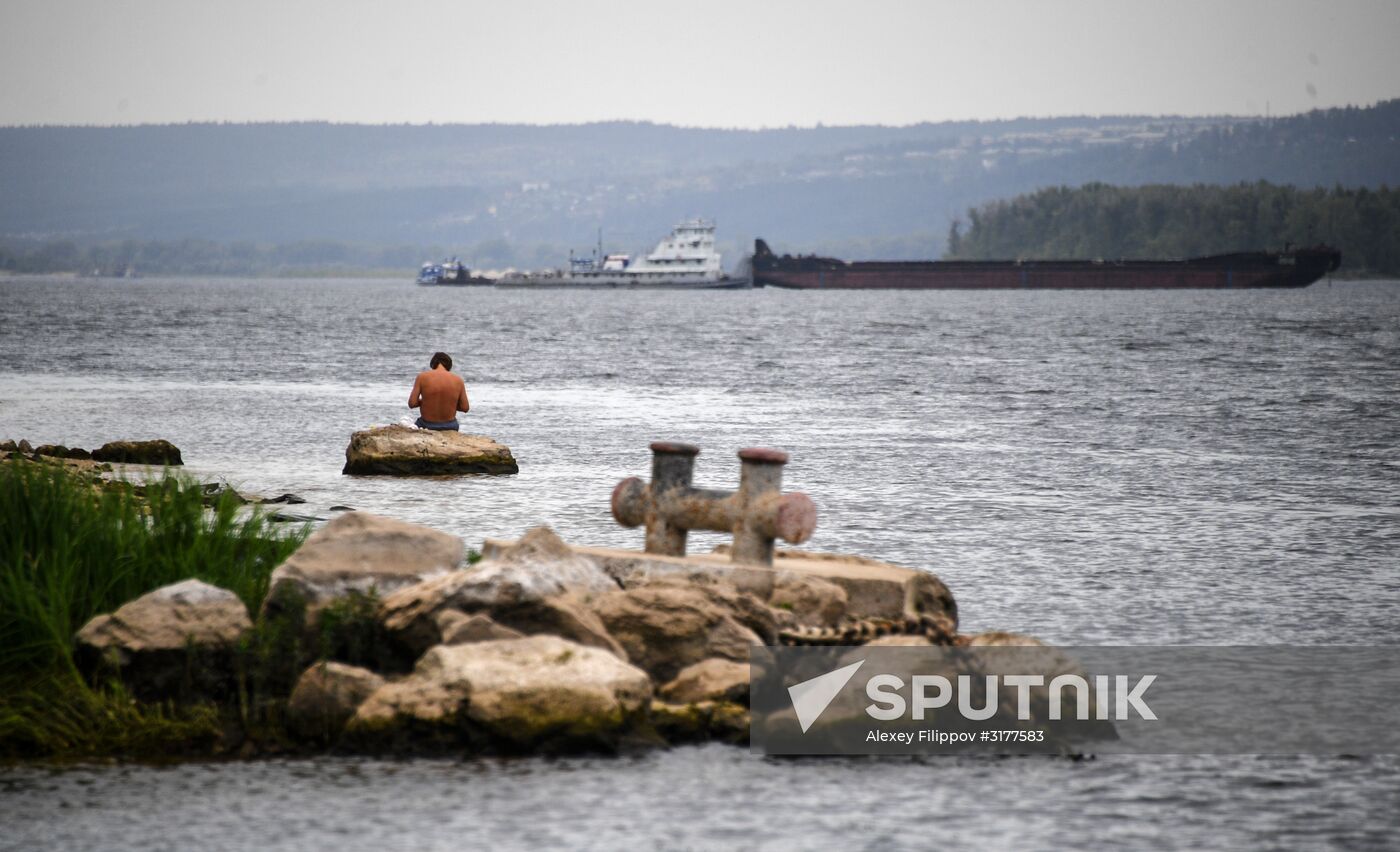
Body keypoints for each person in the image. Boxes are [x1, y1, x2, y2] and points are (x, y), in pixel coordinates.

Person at [408, 352, 470, 430]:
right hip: (450, 426)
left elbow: (412, 403)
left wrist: (426, 402)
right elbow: (465, 408)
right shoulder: (458, 380)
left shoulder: (422, 377)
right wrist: (449, 404)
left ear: (433, 364)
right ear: (449, 365)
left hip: (426, 424)